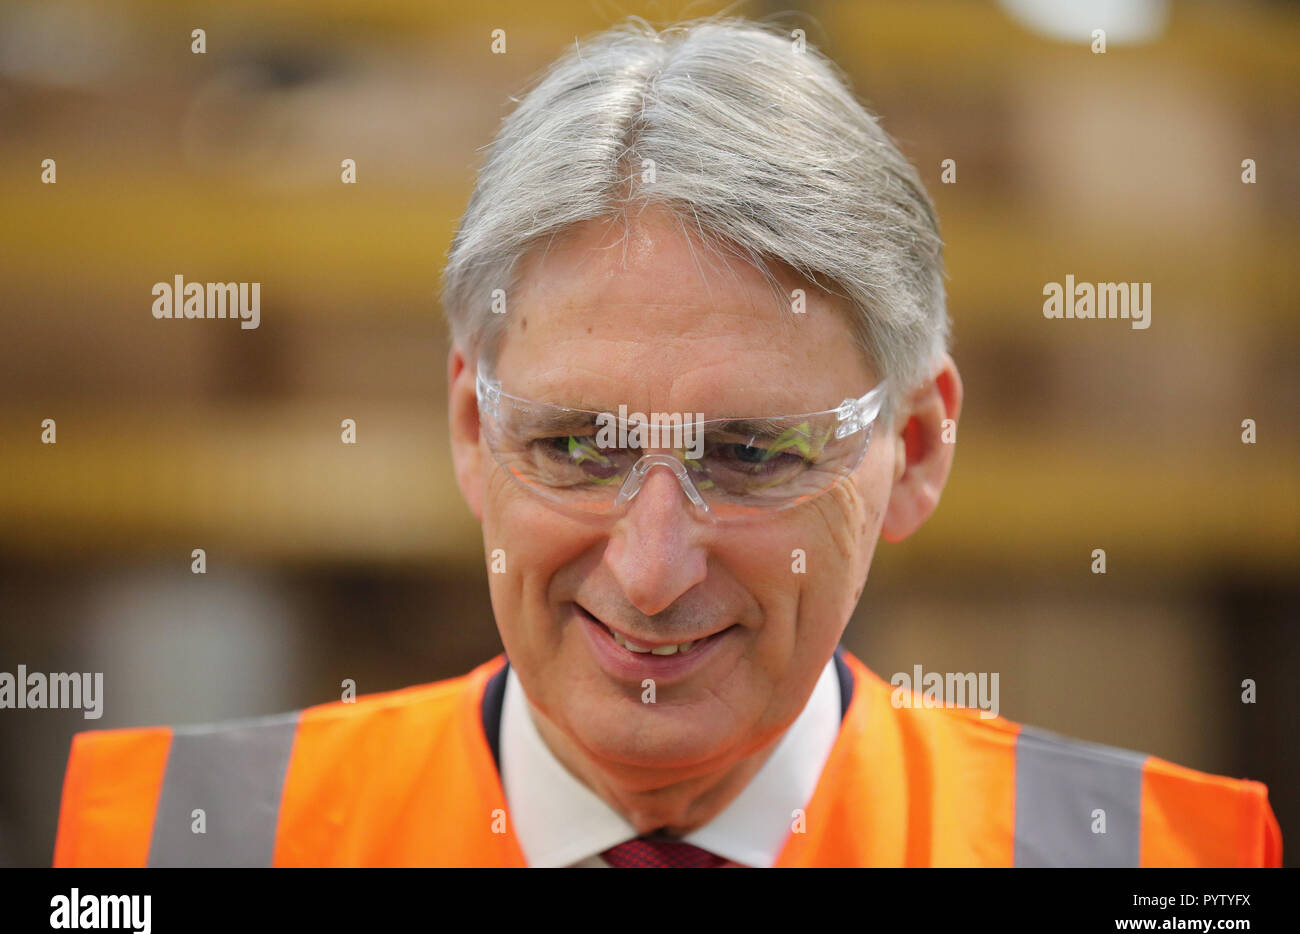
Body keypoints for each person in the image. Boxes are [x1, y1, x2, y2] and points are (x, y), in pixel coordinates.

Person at [54, 16, 1280, 867]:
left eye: (750, 456)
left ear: (911, 450)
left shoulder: (1168, 869)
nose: (650, 571)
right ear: (473, 432)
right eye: (577, 445)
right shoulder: (165, 843)